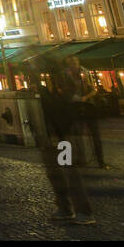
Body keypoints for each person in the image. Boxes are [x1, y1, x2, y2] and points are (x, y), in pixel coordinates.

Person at [38, 61, 95, 225]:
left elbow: (68, 111)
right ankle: (64, 207)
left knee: (69, 170)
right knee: (54, 173)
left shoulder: (65, 92)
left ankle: (83, 211)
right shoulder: (48, 91)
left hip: (63, 136)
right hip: (51, 135)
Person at [62, 55, 108, 169]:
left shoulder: (85, 73)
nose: (73, 65)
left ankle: (100, 161)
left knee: (95, 134)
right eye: (70, 63)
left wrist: (86, 97)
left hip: (88, 106)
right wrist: (73, 97)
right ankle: (82, 159)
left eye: (74, 62)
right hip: (75, 107)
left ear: (78, 62)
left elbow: (93, 90)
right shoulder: (65, 75)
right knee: (78, 134)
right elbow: (64, 90)